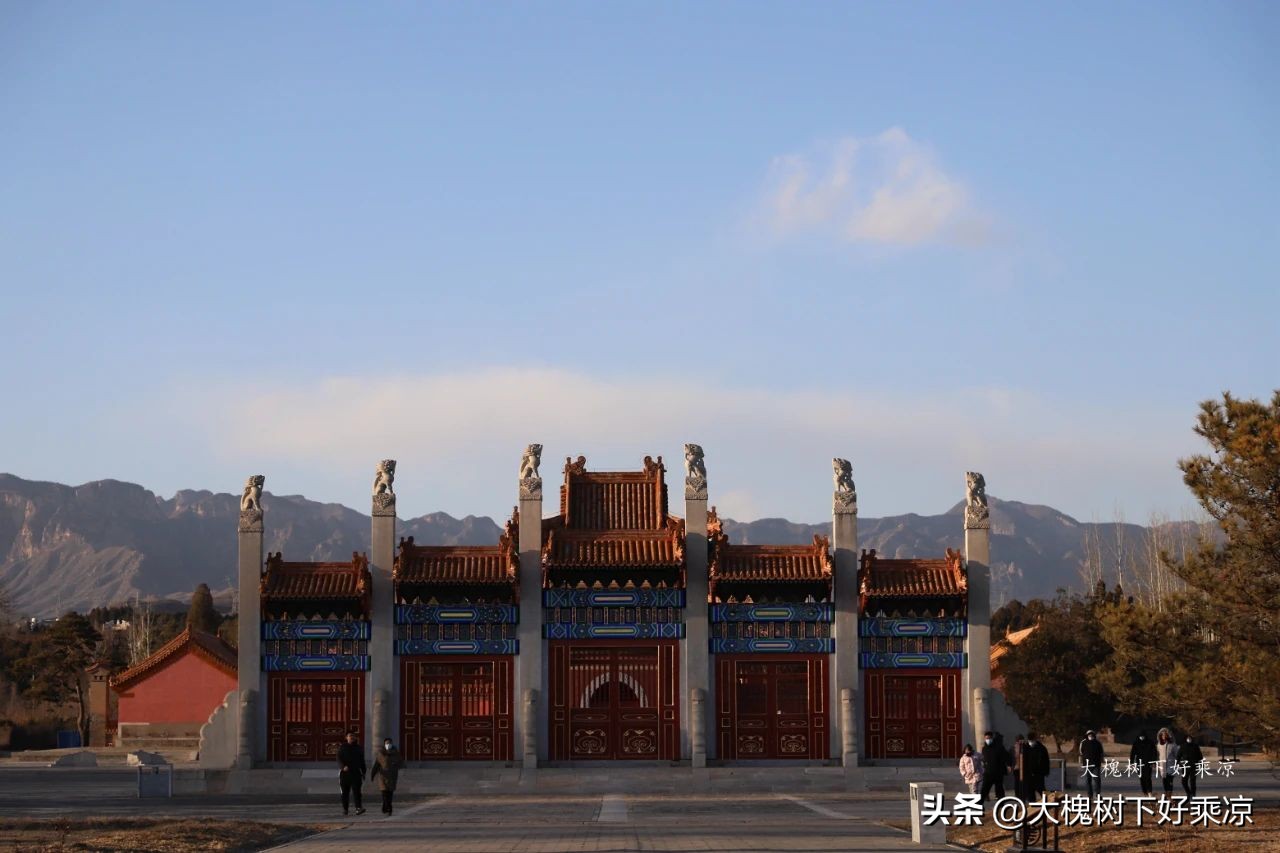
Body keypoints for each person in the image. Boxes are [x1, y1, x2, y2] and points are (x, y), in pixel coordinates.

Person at [370, 737, 406, 815]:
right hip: (383, 776)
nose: (388, 744)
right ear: (384, 744)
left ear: (392, 744)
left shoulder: (396, 753)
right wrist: (372, 775)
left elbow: (401, 763)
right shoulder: (380, 753)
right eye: (387, 743)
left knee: (390, 793)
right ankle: (389, 808)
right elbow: (376, 765)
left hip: (392, 776)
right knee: (384, 793)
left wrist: (396, 765)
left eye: (389, 743)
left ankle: (386, 806)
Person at [337, 729, 367, 816]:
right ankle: (345, 809)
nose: (352, 737)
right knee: (345, 793)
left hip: (356, 773)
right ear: (346, 737)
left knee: (357, 792)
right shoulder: (342, 748)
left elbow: (362, 761)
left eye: (353, 736)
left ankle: (358, 808)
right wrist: (343, 767)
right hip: (345, 773)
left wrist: (363, 772)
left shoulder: (358, 748)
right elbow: (338, 759)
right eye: (350, 736)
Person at [979, 731, 1008, 803]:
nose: (987, 740)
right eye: (986, 738)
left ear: (992, 738)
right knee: (984, 790)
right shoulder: (984, 748)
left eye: (989, 738)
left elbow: (1005, 757)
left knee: (999, 791)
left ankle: (1001, 806)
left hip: (998, 772)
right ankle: (979, 806)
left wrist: (1007, 766)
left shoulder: (999, 747)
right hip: (988, 773)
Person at [1021, 732, 1051, 800]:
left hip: (1038, 774)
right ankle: (1033, 806)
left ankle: (1047, 804)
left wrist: (1046, 771)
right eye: (1030, 740)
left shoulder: (1041, 748)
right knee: (1030, 792)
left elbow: (1046, 760)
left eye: (1032, 739)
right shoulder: (1025, 748)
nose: (1031, 741)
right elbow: (1023, 761)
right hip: (1028, 774)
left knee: (1042, 791)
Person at [1079, 729, 1105, 799]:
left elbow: (1101, 752)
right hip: (1087, 764)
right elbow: (1081, 752)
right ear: (1086, 735)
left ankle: (1098, 793)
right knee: (1088, 780)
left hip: (1096, 764)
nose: (1090, 736)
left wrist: (1102, 760)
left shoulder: (1098, 743)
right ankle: (1089, 795)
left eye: (1091, 734)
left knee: (1097, 779)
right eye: (1089, 735)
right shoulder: (1083, 743)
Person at [1130, 730, 1157, 795]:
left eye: (1143, 736)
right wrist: (1132, 762)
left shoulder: (1150, 742)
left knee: (1148, 777)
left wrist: (1154, 762)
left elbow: (1154, 753)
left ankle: (1149, 791)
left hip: (1148, 763)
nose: (1142, 737)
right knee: (1141, 777)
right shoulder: (1136, 743)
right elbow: (1133, 753)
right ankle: (1145, 791)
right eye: (1140, 736)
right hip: (1139, 763)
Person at [1156, 728, 1179, 798]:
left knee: (1170, 783)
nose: (1164, 737)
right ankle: (1168, 798)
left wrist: (1177, 763)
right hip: (1162, 767)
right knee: (1165, 783)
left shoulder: (1173, 745)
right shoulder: (1159, 745)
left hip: (1170, 767)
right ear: (1160, 736)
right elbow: (1157, 755)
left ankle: (1169, 797)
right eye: (1162, 735)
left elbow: (1177, 755)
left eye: (1165, 735)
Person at [1011, 734, 1026, 799]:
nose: (1021, 741)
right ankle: (1018, 795)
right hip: (1017, 768)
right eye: (1020, 740)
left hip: (1024, 768)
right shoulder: (1013, 748)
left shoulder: (1025, 747)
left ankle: (1023, 795)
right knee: (1017, 782)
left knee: (1023, 782)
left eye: (1022, 739)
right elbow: (1011, 757)